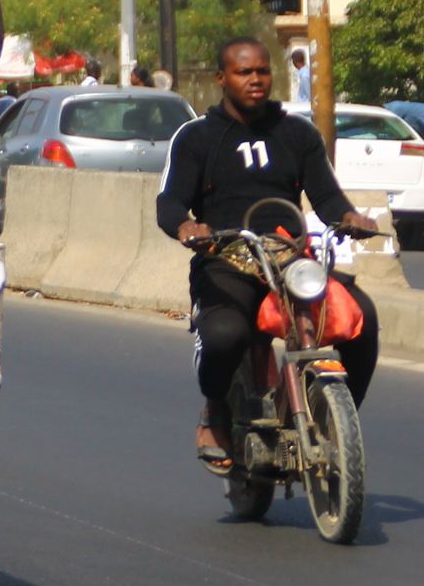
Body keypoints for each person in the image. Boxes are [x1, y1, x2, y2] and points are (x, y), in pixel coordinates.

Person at [156, 37, 380, 472]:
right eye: (243, 72)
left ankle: (338, 417)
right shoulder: (198, 136)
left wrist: (351, 217)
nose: (255, 80)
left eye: (262, 71)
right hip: (227, 259)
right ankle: (216, 407)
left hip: (290, 259)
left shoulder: (296, 132)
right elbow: (169, 203)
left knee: (362, 319)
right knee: (224, 335)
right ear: (222, 79)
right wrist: (187, 227)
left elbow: (329, 199)